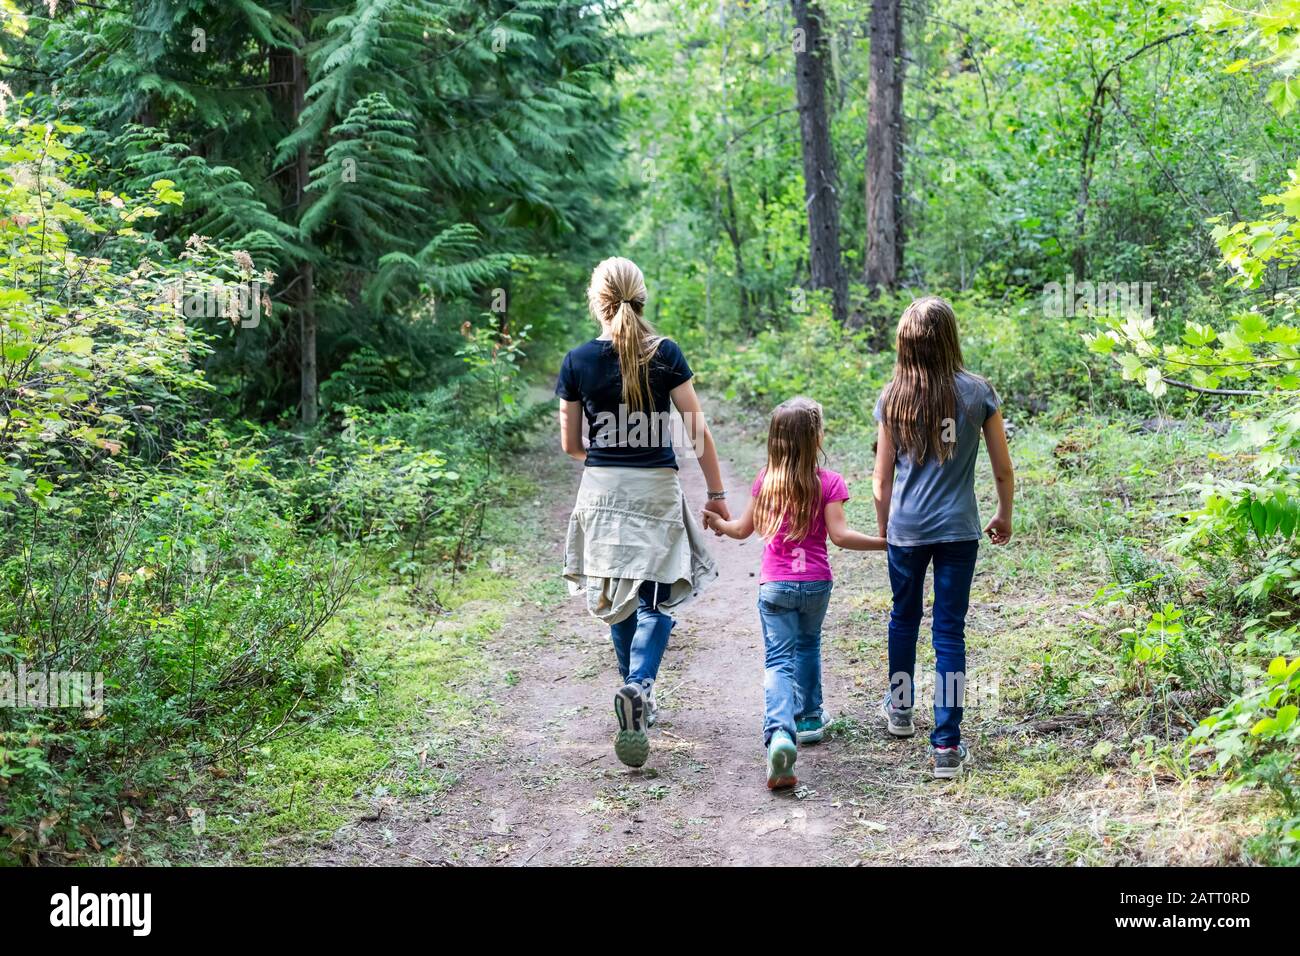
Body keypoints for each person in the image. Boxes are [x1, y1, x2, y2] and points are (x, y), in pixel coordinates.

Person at [557, 256, 728, 768]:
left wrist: (609, 463)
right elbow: (698, 434)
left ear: (597, 300)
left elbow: (570, 445)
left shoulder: (576, 361)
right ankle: (640, 687)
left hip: (603, 492)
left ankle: (634, 693)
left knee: (615, 597)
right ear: (642, 296)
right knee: (656, 598)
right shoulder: (666, 354)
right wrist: (717, 495)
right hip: (656, 490)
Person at [703, 397, 884, 789]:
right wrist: (885, 542)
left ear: (777, 439)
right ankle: (810, 718)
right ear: (815, 437)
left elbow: (740, 530)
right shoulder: (830, 481)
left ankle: (781, 734)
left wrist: (718, 522)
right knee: (809, 646)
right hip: (816, 583)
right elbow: (840, 535)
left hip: (776, 587)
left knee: (778, 661)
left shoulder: (766, 479)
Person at [872, 296, 1015, 779]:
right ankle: (947, 746)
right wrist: (1004, 514)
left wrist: (883, 527)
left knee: (903, 619)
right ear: (950, 337)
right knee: (949, 632)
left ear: (905, 343)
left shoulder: (894, 395)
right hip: (958, 531)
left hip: (907, 531)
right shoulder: (978, 393)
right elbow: (1002, 469)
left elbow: (880, 481)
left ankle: (900, 710)